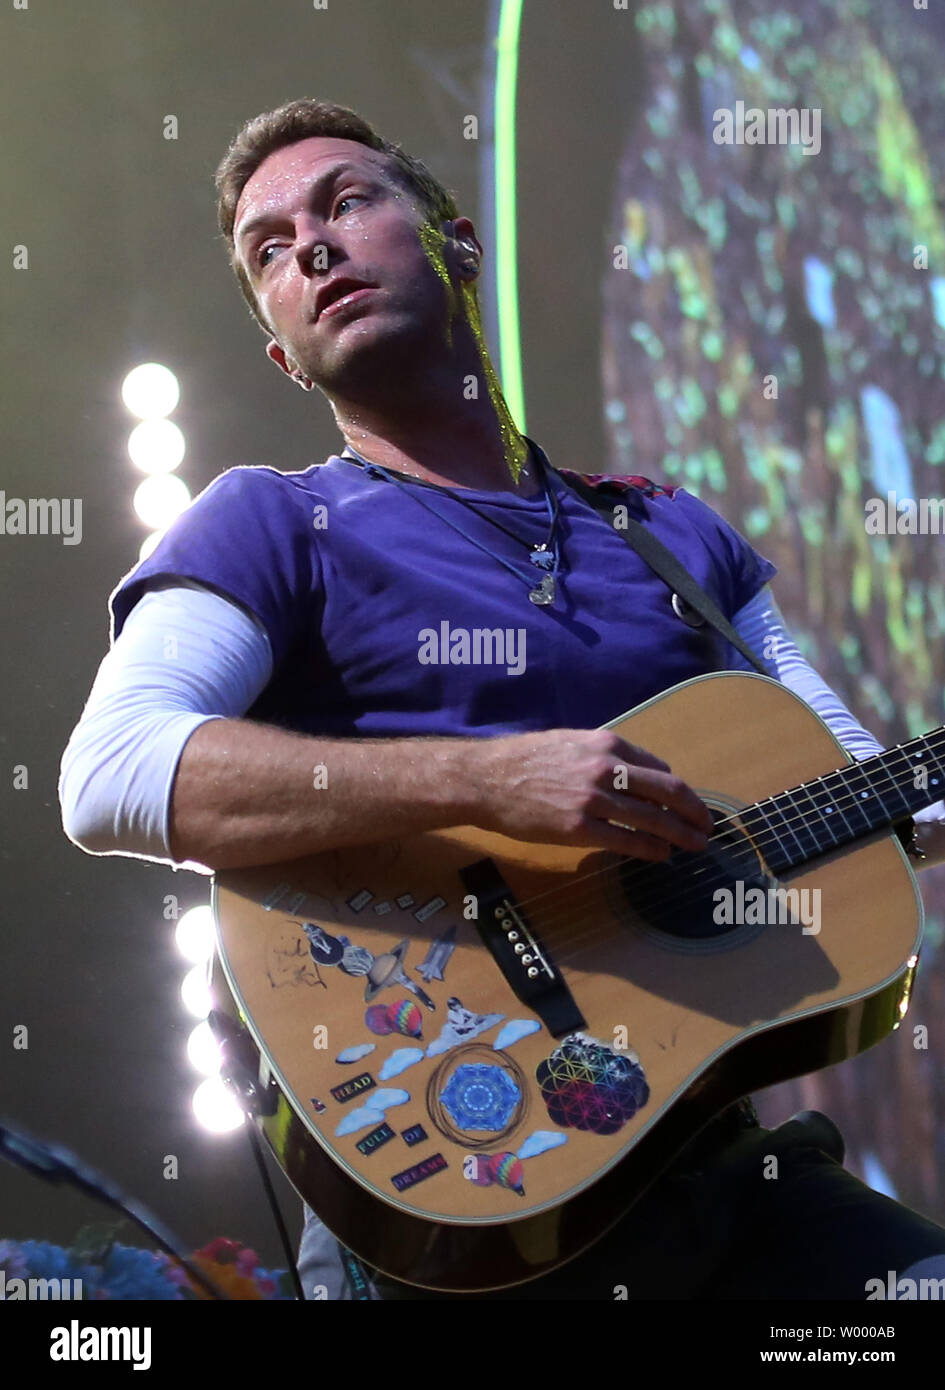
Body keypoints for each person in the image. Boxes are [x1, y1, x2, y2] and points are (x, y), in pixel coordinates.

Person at [59, 99, 945, 1301]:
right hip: (453, 1199)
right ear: (280, 345)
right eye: (268, 250)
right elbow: (111, 773)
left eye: (345, 202)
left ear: (458, 244)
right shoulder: (267, 520)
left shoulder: (673, 531)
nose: (309, 248)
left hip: (713, 1168)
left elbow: (874, 796)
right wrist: (493, 777)